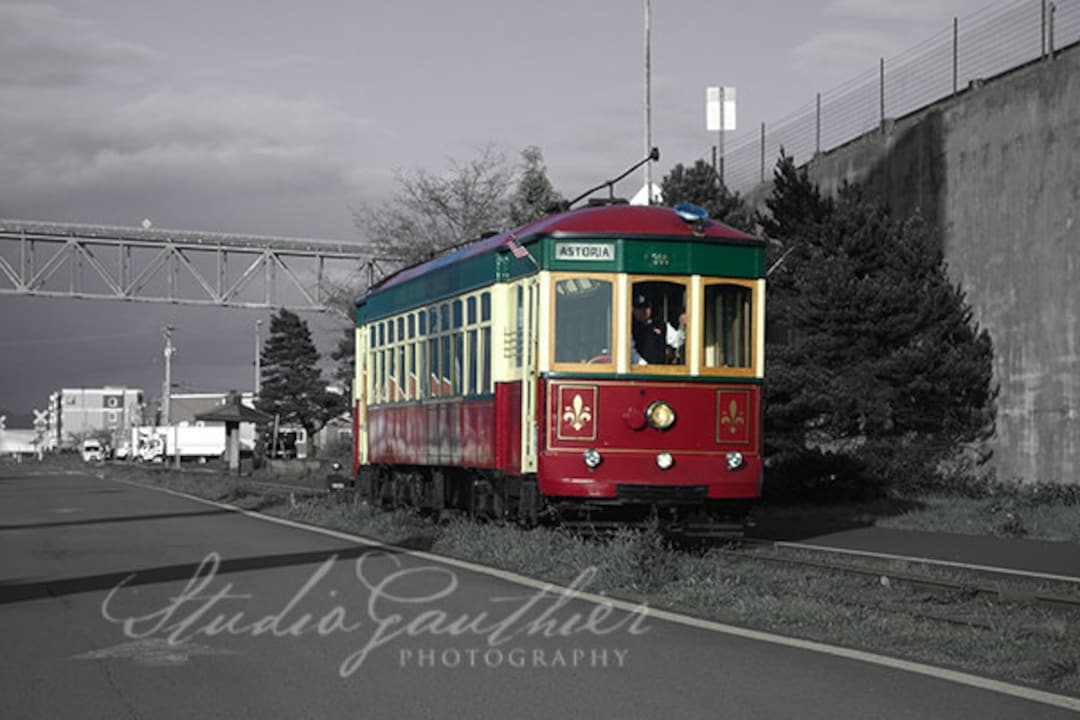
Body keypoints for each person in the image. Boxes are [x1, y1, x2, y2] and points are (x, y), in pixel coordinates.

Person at [631, 294, 667, 364]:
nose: (643, 311)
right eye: (639, 308)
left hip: (660, 370)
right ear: (633, 310)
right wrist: (643, 364)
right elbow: (630, 350)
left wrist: (682, 327)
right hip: (637, 370)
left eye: (646, 307)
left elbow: (676, 341)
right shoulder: (629, 327)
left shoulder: (661, 325)